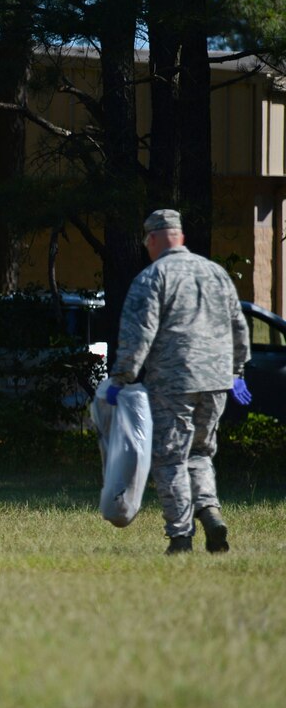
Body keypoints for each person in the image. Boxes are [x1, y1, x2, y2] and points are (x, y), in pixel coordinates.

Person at [103, 209, 251, 554]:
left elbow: (139, 333)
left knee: (170, 458)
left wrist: (121, 377)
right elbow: (238, 325)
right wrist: (238, 371)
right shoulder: (216, 273)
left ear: (153, 239)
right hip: (216, 380)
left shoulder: (153, 277)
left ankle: (181, 537)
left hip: (174, 380)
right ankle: (210, 512)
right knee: (199, 451)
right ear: (180, 236)